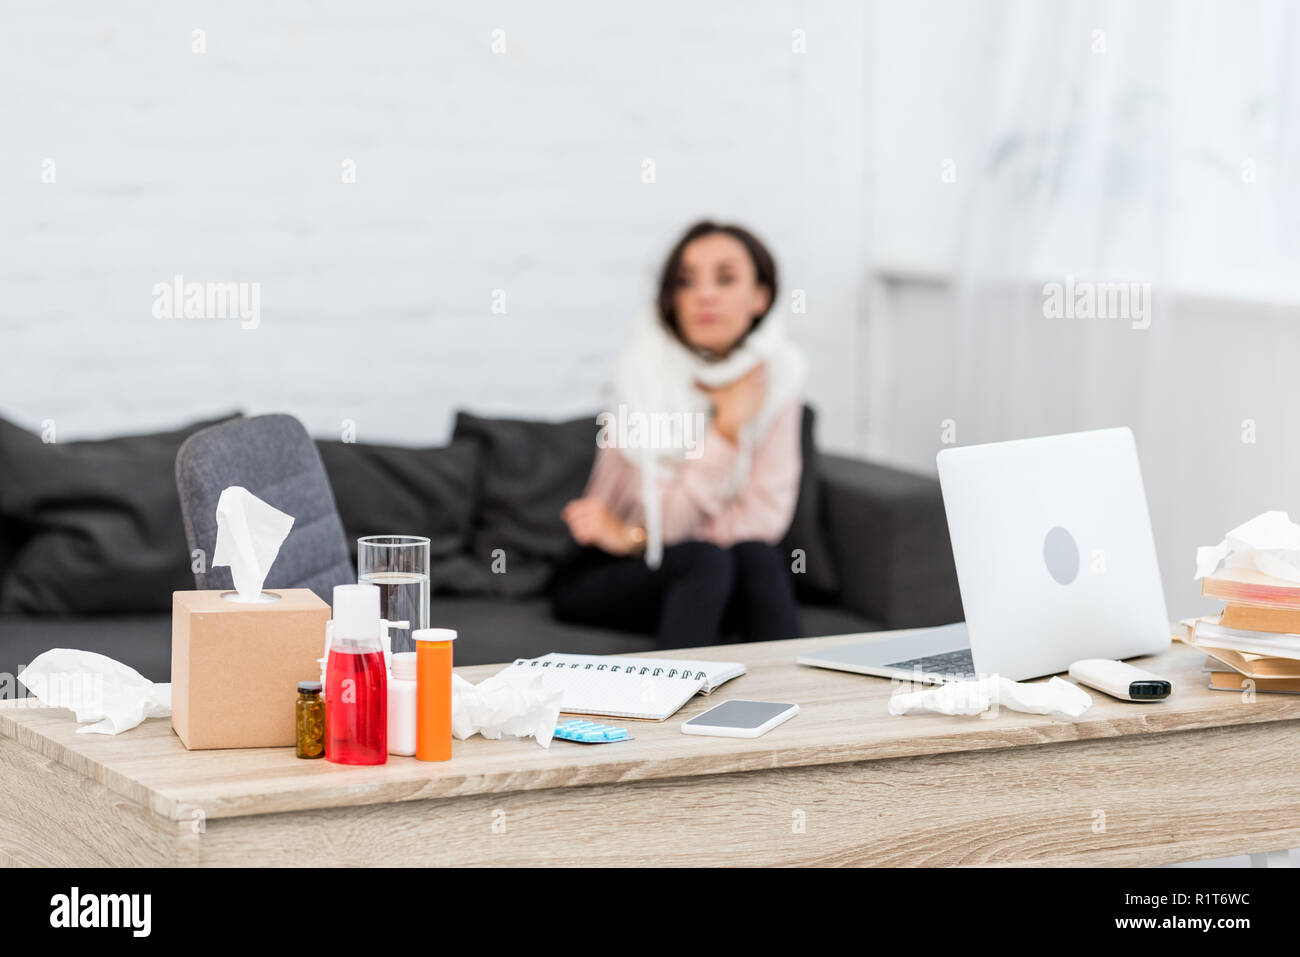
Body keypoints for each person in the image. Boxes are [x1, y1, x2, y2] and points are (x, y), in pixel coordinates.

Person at [548, 220, 805, 648]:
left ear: (760, 297)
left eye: (725, 278)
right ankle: (671, 705)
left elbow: (764, 520)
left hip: (705, 567)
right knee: (707, 561)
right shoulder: (641, 376)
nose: (704, 294)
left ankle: (802, 709)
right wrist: (726, 431)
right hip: (612, 568)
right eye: (686, 281)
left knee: (755, 557)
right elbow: (664, 523)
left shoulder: (778, 381)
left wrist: (643, 536)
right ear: (672, 299)